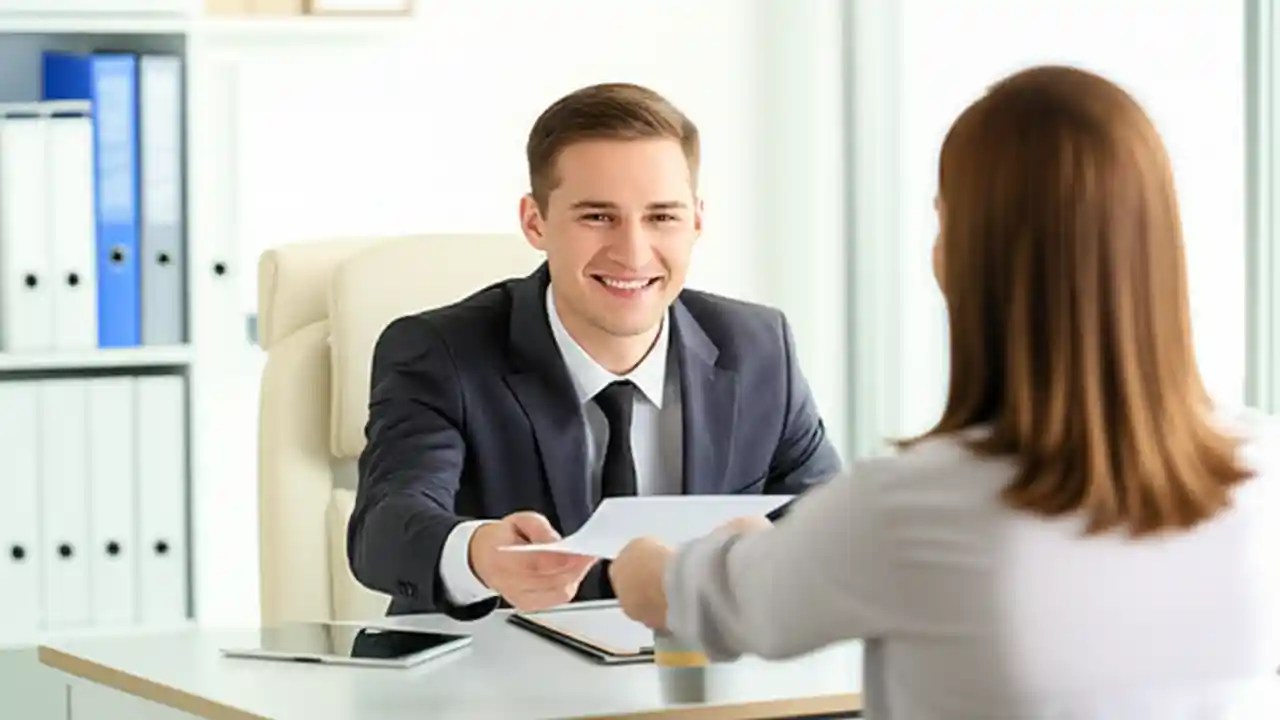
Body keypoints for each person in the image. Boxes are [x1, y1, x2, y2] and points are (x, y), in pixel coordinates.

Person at [610, 65, 1280, 718]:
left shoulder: (913, 509)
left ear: (964, 253)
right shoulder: (1264, 471)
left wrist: (656, 558)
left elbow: (678, 595)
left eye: (942, 216)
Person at [347, 82, 842, 621]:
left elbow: (832, 528)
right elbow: (383, 528)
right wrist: (478, 555)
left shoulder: (759, 348)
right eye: (598, 217)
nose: (633, 253)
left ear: (697, 221)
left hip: (693, 667)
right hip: (493, 669)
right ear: (535, 222)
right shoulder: (440, 352)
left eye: (662, 217)